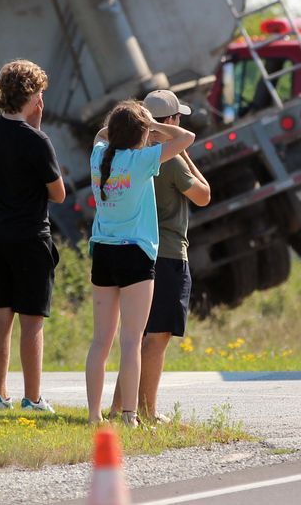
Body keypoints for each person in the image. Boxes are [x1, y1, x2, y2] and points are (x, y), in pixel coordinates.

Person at [86, 100, 195, 428]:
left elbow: (101, 134)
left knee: (100, 340)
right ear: (142, 133)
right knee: (131, 340)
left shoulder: (99, 156)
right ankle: (130, 415)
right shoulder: (142, 160)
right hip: (135, 252)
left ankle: (94, 416)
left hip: (103, 251)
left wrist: (132, 124)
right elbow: (186, 136)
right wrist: (155, 126)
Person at [108, 90, 211, 424]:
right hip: (169, 252)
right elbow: (203, 195)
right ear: (169, 122)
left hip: (138, 249)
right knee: (158, 336)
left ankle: (117, 408)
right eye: (177, 118)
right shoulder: (170, 159)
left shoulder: (128, 155)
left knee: (135, 336)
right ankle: (148, 411)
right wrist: (186, 154)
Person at [0, 60, 66, 414]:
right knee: (32, 318)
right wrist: (37, 129)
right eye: (40, 93)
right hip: (30, 235)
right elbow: (58, 193)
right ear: (31, 97)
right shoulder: (38, 141)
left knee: (2, 315)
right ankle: (32, 398)